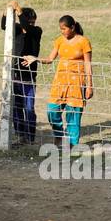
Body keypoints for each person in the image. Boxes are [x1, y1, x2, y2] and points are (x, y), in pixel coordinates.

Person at [24, 14, 92, 152]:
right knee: (52, 111)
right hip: (59, 82)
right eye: (61, 29)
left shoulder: (83, 42)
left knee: (73, 114)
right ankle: (58, 134)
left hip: (76, 83)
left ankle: (73, 145)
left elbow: (88, 65)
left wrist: (90, 86)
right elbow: (50, 59)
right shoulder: (59, 41)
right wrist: (35, 59)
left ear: (72, 27)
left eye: (64, 28)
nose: (62, 31)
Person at [1, 3, 42, 144]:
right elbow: (3, 25)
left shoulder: (36, 31)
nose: (31, 23)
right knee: (16, 108)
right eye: (29, 20)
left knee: (29, 108)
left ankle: (30, 137)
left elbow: (27, 27)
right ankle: (20, 135)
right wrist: (7, 12)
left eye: (33, 21)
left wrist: (19, 12)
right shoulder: (16, 30)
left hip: (29, 78)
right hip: (15, 76)